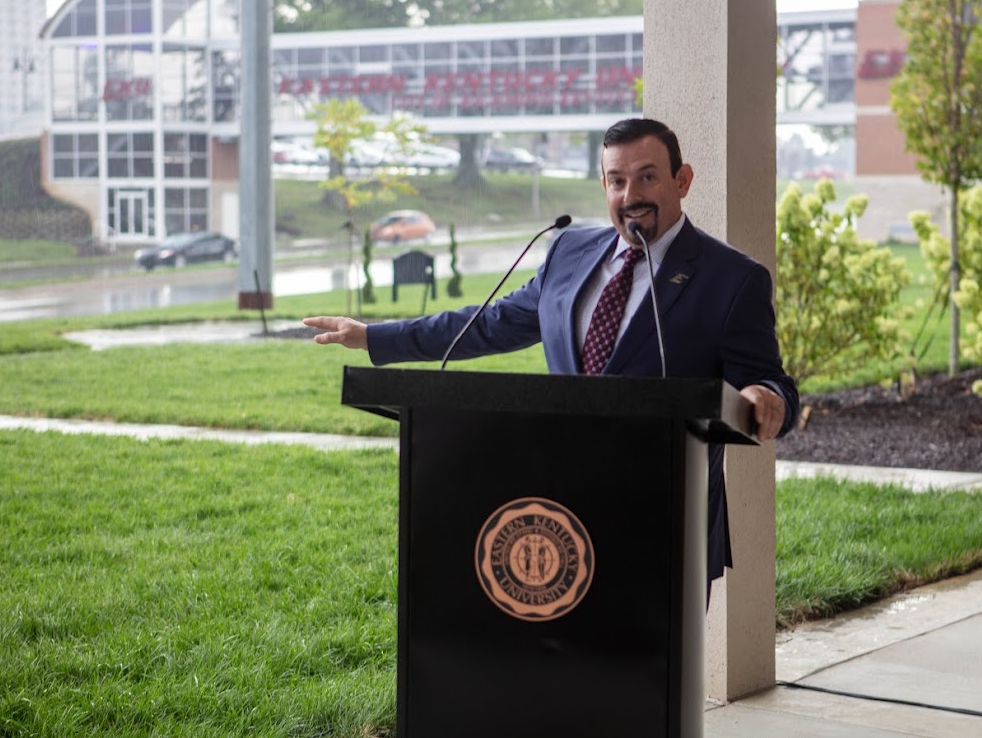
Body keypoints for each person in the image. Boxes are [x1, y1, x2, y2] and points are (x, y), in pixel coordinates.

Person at [304, 117, 799, 599]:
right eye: (617, 181)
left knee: (650, 680)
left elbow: (770, 384)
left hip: (667, 517)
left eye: (648, 177)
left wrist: (764, 395)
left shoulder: (732, 279)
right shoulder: (568, 251)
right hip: (557, 511)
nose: (631, 197)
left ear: (682, 180)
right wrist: (375, 337)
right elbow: (490, 324)